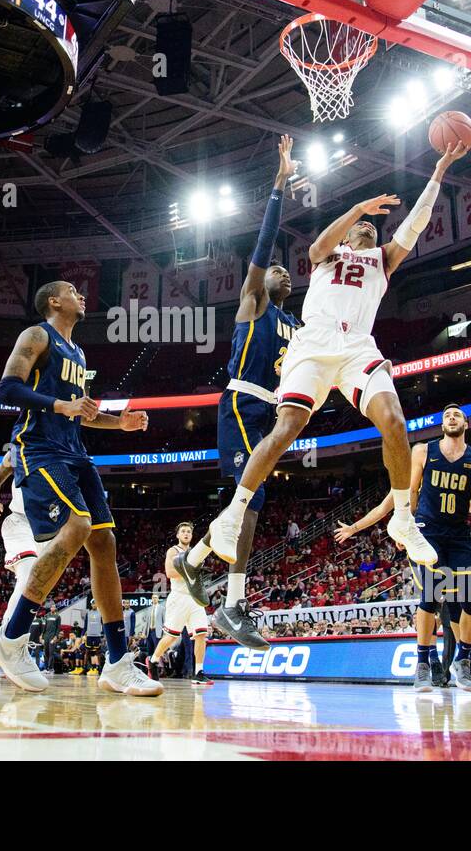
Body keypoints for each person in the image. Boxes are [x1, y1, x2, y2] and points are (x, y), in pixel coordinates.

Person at [200, 140, 468, 584]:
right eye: (360, 227)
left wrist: (438, 172)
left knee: (396, 424)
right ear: (348, 234)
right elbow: (317, 246)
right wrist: (359, 206)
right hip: (314, 345)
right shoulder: (329, 256)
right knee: (286, 429)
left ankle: (402, 517)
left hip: (358, 348)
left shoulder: (383, 261)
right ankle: (233, 513)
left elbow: (416, 225)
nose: (368, 230)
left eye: (372, 228)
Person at [0, 281, 162, 696]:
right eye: (73, 290)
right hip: (39, 448)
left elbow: (81, 412)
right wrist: (57, 405)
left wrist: (118, 423)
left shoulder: (78, 353)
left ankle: (118, 663)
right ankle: (10, 639)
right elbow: (7, 389)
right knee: (77, 526)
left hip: (75, 451)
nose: (83, 295)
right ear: (53, 300)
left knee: (105, 544)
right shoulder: (36, 335)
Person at [175, 136, 299, 649]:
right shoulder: (253, 304)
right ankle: (232, 605)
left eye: (289, 269)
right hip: (241, 402)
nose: (283, 269)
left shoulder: (293, 322)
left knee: (247, 502)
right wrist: (278, 187)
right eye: (276, 268)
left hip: (269, 411)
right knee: (251, 501)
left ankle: (195, 561)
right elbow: (263, 247)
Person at [337, 404, 471, 691]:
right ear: (442, 424)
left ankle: (463, 661)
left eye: (456, 415)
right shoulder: (422, 452)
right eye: (446, 415)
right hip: (426, 532)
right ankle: (423, 665)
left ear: (466, 423)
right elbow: (403, 495)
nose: (451, 417)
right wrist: (364, 527)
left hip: (458, 534)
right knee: (431, 596)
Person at [0, 446, 46, 631]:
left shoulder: (67, 449)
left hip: (48, 529)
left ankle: (14, 641)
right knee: (28, 574)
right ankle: (7, 636)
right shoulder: (18, 451)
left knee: (36, 587)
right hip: (21, 523)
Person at [146, 522, 213, 685]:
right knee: (170, 637)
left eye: (189, 531)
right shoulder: (173, 551)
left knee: (201, 634)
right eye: (183, 531)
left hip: (195, 597)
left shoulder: (195, 553)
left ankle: (198, 672)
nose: (186, 534)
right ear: (177, 535)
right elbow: (169, 573)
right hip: (179, 597)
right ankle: (153, 661)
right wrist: (190, 570)